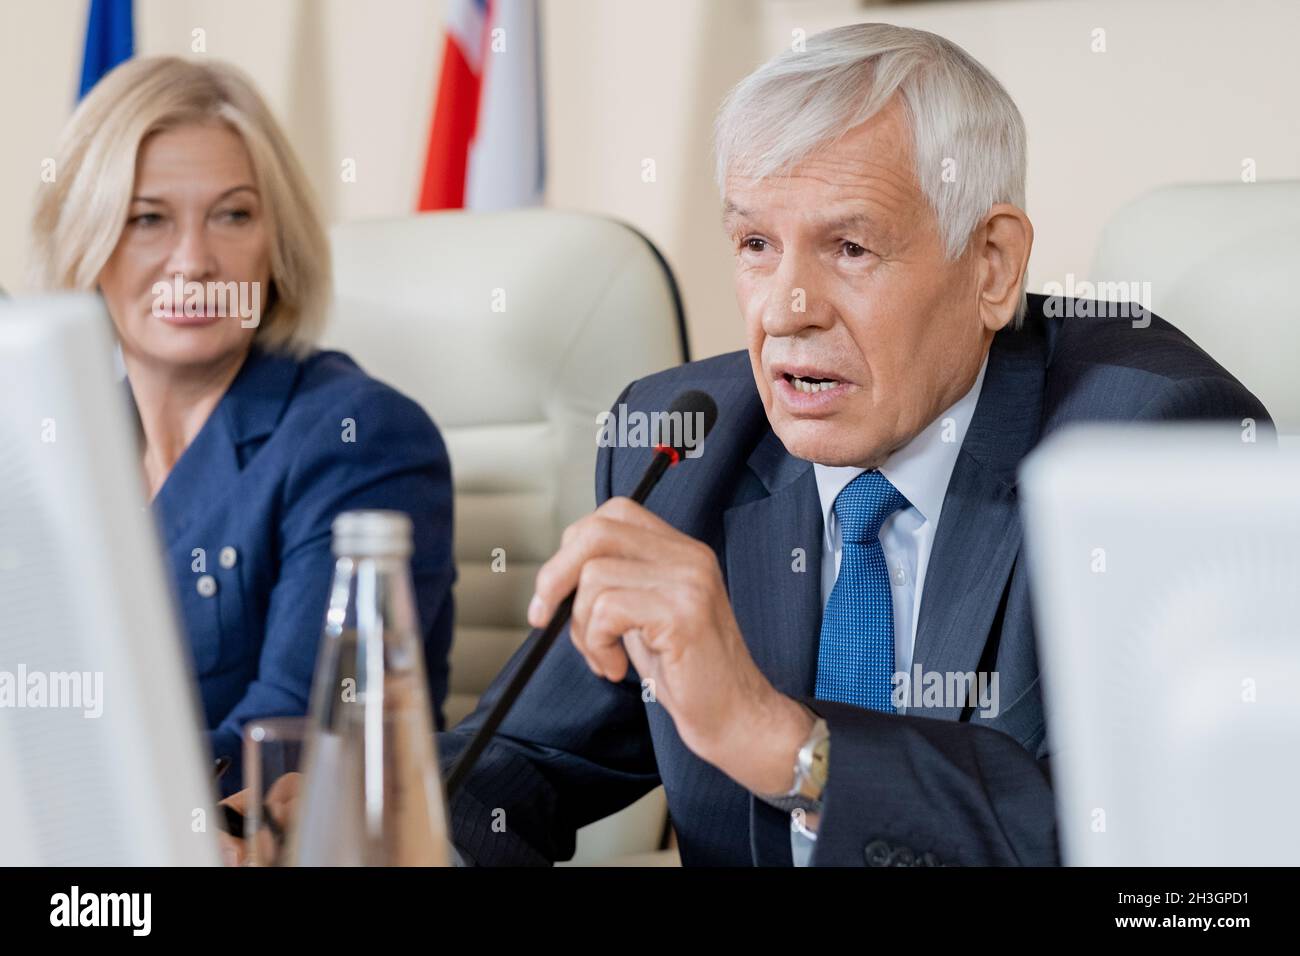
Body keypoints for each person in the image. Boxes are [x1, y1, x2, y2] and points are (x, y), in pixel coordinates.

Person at [434, 22, 1271, 866]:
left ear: (991, 265)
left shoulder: (1145, 448)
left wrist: (791, 749)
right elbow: (506, 763)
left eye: (850, 247)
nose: (787, 308)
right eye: (756, 245)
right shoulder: (685, 448)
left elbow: (1169, 860)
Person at [28, 56, 456, 796]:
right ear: (88, 241)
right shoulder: (52, 445)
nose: (193, 263)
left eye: (233, 215)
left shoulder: (362, 436)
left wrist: (53, 771)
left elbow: (300, 742)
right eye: (147, 218)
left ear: (276, 243)